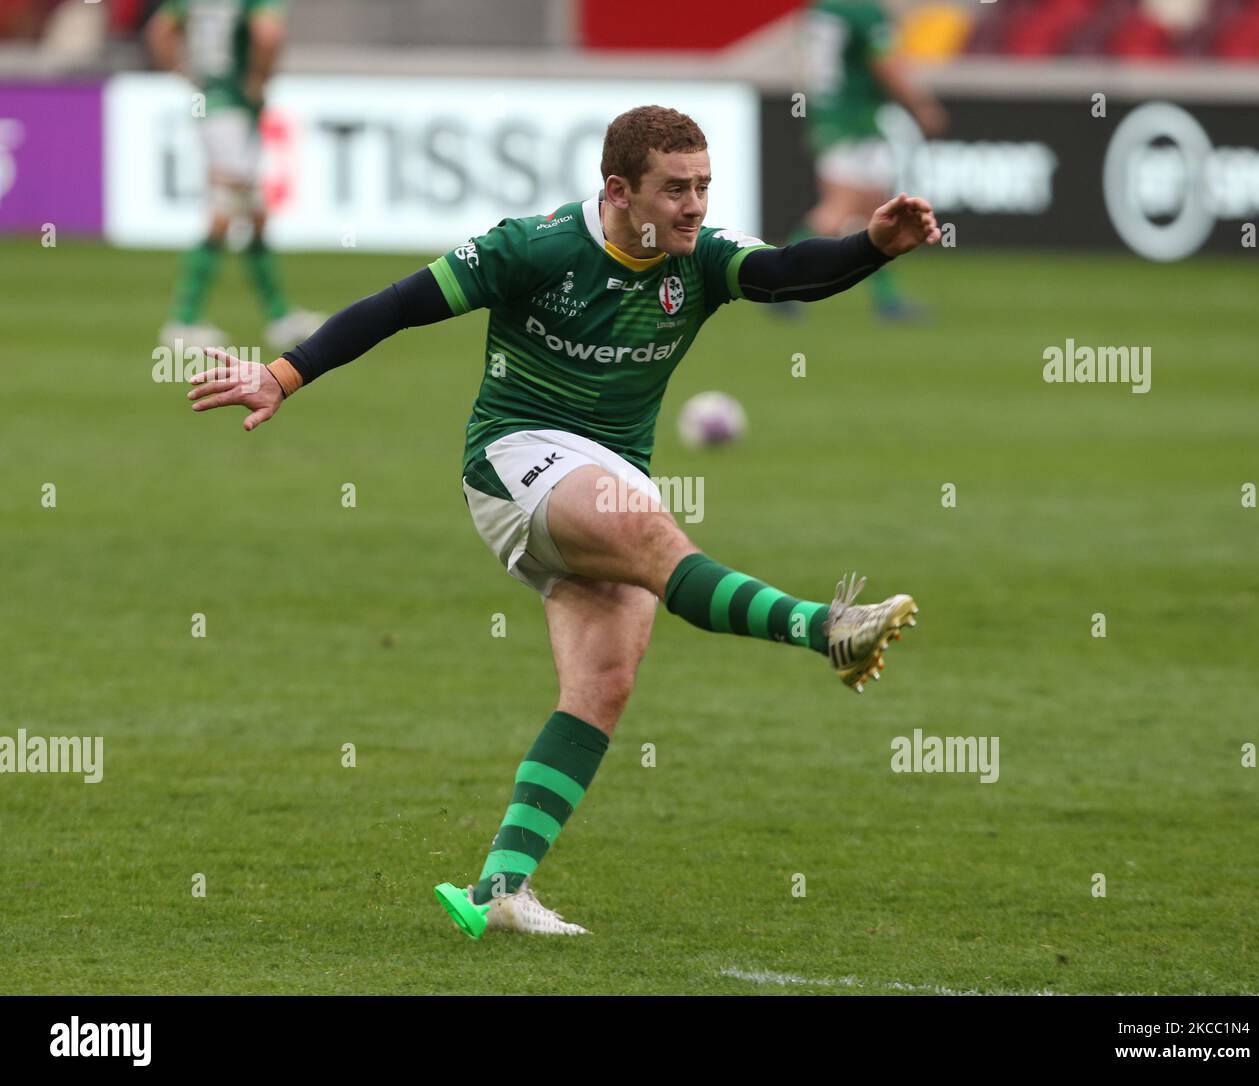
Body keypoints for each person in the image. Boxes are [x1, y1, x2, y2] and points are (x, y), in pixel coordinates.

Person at [185, 106, 939, 938]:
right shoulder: (535, 248)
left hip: (606, 475)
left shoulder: (704, 259)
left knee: (602, 688)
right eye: (675, 189)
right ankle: (826, 628)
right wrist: (284, 376)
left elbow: (796, 270)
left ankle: (499, 891)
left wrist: (873, 247)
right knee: (656, 539)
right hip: (516, 462)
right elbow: (399, 305)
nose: (694, 206)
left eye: (703, 187)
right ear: (619, 191)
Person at [146, 0, 321, 349]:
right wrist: (258, 80)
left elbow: (159, 30)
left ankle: (279, 315)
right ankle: (184, 319)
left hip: (212, 102)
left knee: (254, 212)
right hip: (234, 109)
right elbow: (268, 34)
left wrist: (185, 73)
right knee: (226, 209)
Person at [793, 0, 948, 321]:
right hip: (857, 121)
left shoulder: (823, 8)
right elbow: (886, 64)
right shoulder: (862, 9)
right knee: (839, 210)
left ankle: (886, 299)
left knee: (869, 211)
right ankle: (780, 280)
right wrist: (921, 107)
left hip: (830, 115)